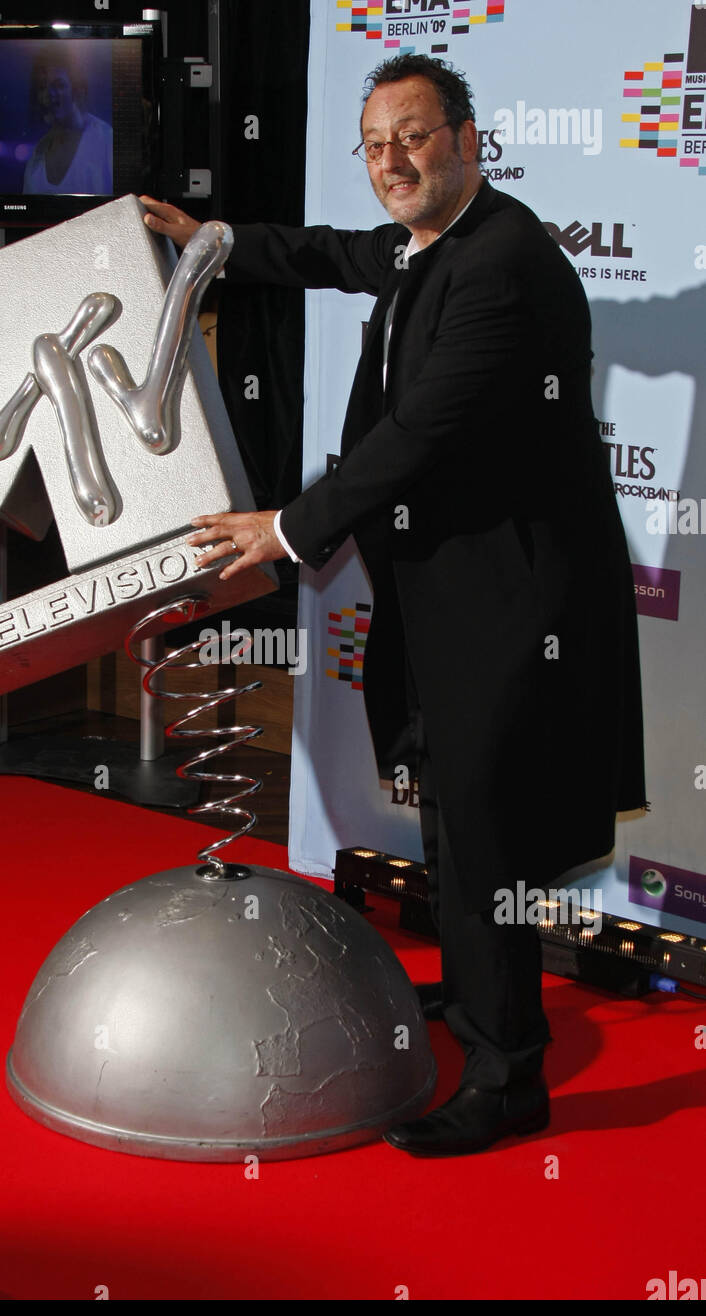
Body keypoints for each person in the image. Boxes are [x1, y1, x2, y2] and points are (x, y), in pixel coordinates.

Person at [138, 53, 646, 1157]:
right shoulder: (433, 243)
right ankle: (474, 1003)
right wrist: (214, 241)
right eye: (374, 144)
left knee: (490, 833)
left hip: (519, 599)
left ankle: (510, 1079)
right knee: (460, 819)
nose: (392, 162)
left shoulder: (503, 264)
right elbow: (332, 251)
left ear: (468, 140)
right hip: (457, 588)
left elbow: (423, 439)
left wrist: (282, 531)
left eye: (414, 137)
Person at [23, 52, 112, 195]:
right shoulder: (36, 161)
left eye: (58, 85)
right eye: (42, 87)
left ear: (77, 89)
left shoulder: (107, 140)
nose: (49, 94)